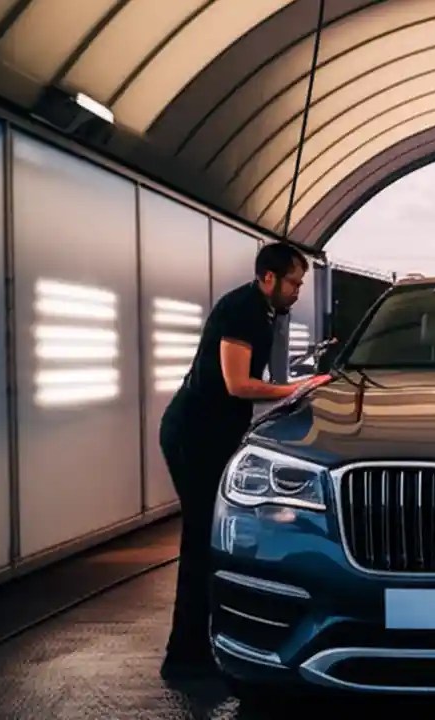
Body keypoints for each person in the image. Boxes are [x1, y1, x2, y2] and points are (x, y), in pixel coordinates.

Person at [158, 242, 311, 679]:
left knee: (208, 537)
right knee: (200, 538)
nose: (298, 291)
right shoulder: (243, 309)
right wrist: (301, 388)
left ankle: (196, 644)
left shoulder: (265, 312)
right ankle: (185, 655)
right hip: (193, 434)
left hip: (212, 434)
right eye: (294, 282)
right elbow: (238, 384)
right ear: (269, 278)